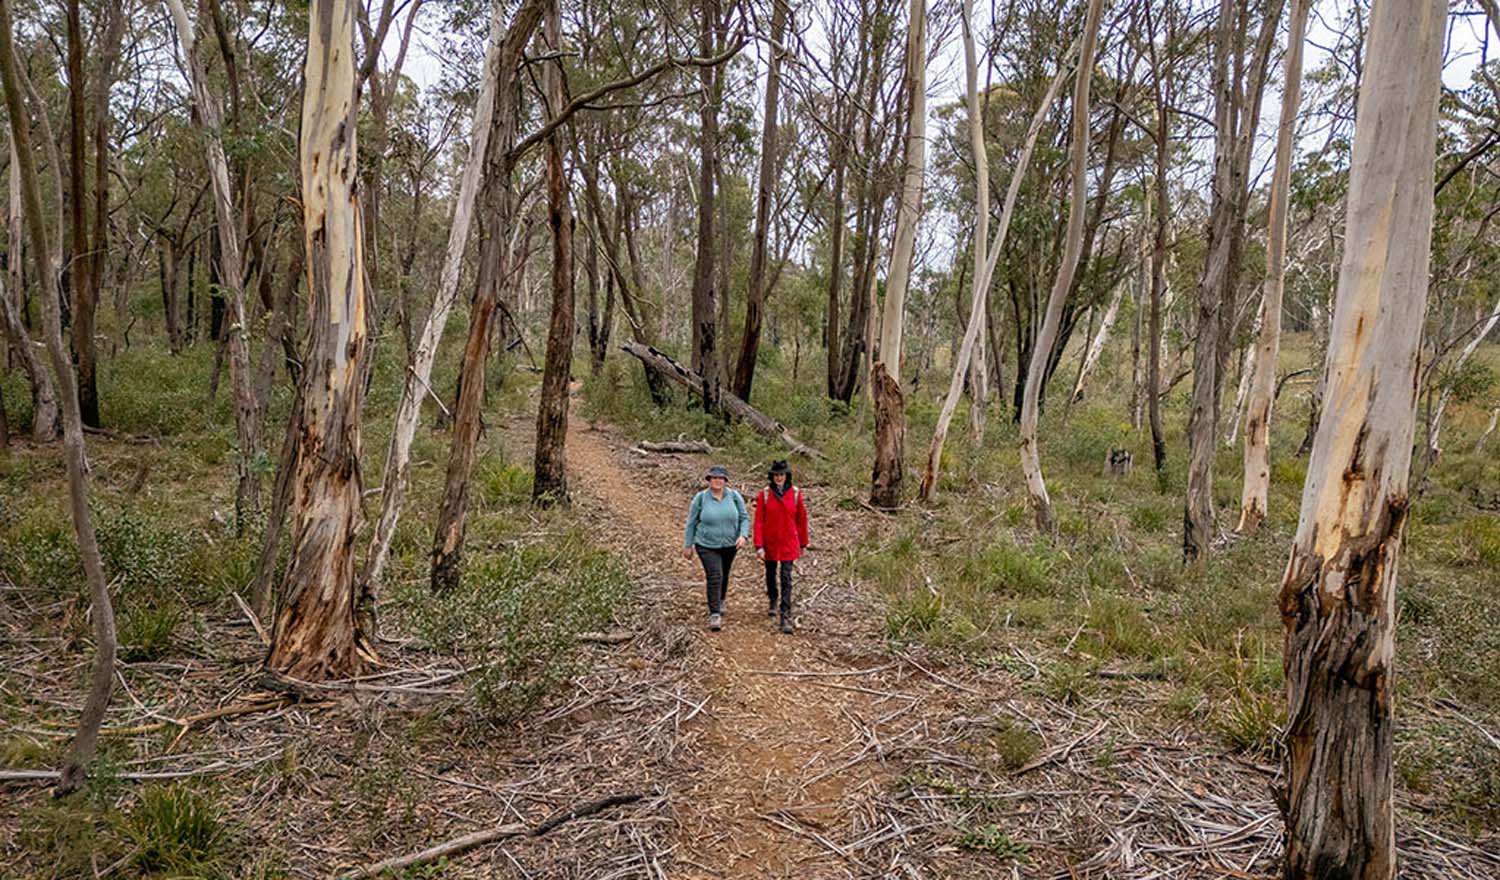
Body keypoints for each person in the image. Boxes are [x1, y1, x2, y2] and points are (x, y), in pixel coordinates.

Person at [682, 464, 749, 631]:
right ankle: (714, 613)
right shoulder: (701, 498)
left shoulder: (734, 496)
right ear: (709, 480)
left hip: (730, 544)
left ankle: (721, 599)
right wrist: (688, 545)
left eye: (720, 478)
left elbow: (744, 517)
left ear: (725, 481)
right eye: (714, 478)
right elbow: (691, 522)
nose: (717, 481)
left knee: (724, 573)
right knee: (715, 574)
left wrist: (743, 535)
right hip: (706, 544)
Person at [753, 459, 809, 634]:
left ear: (787, 476)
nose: (779, 478)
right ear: (772, 476)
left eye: (782, 475)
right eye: (776, 475)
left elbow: (802, 519)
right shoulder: (765, 494)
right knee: (770, 573)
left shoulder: (795, 493)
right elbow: (759, 521)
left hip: (788, 542)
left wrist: (803, 542)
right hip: (770, 541)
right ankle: (772, 598)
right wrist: (759, 545)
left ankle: (785, 614)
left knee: (786, 577)